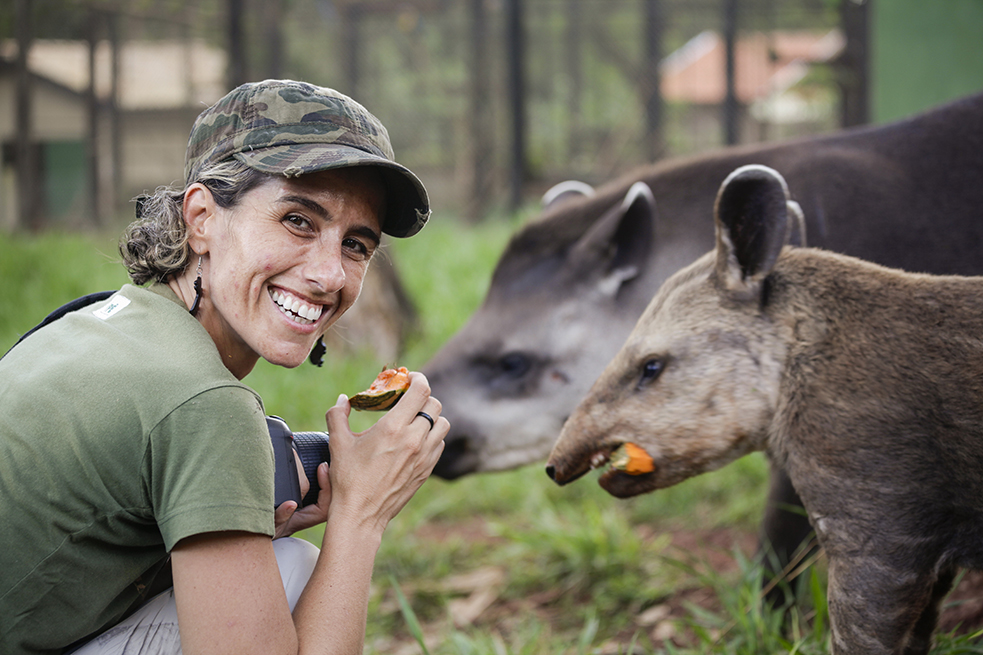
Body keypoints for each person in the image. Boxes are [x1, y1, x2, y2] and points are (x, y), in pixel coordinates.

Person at [0, 79, 448, 655]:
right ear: (202, 218)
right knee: (299, 571)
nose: (330, 274)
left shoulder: (90, 322)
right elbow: (191, 416)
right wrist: (361, 515)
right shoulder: (204, 403)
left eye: (356, 245)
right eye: (298, 221)